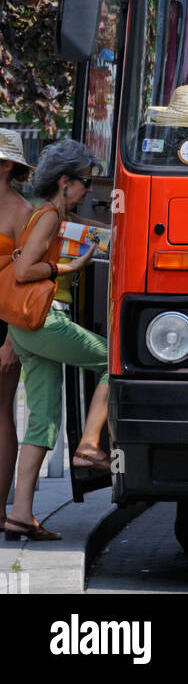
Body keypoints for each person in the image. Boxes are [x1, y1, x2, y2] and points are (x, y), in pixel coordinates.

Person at [4, 141, 110, 543]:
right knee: (112, 362)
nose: (88, 189)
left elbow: (96, 233)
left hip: (28, 331)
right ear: (64, 182)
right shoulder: (47, 217)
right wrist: (68, 266)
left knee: (43, 421)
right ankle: (87, 445)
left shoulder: (56, 218)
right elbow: (24, 270)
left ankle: (21, 515)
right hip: (45, 322)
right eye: (84, 182)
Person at [0, 131, 32, 532]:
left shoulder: (22, 212)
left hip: (2, 320)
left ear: (6, 166)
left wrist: (11, 338)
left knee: (0, 414)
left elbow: (23, 280)